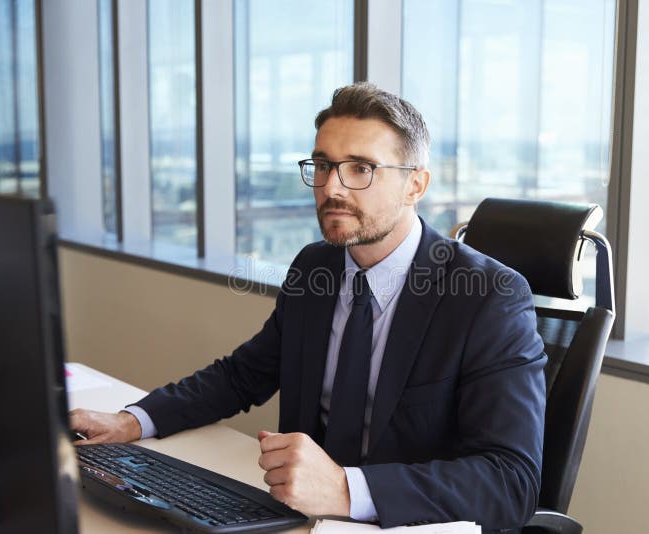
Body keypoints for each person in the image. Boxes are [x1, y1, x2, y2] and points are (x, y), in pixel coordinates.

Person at [70, 82, 547, 532]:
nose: (333, 188)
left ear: (415, 185)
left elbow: (510, 481)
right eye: (323, 165)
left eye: (361, 168)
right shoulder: (315, 267)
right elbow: (242, 374)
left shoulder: (488, 296)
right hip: (299, 519)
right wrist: (133, 420)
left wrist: (346, 489)